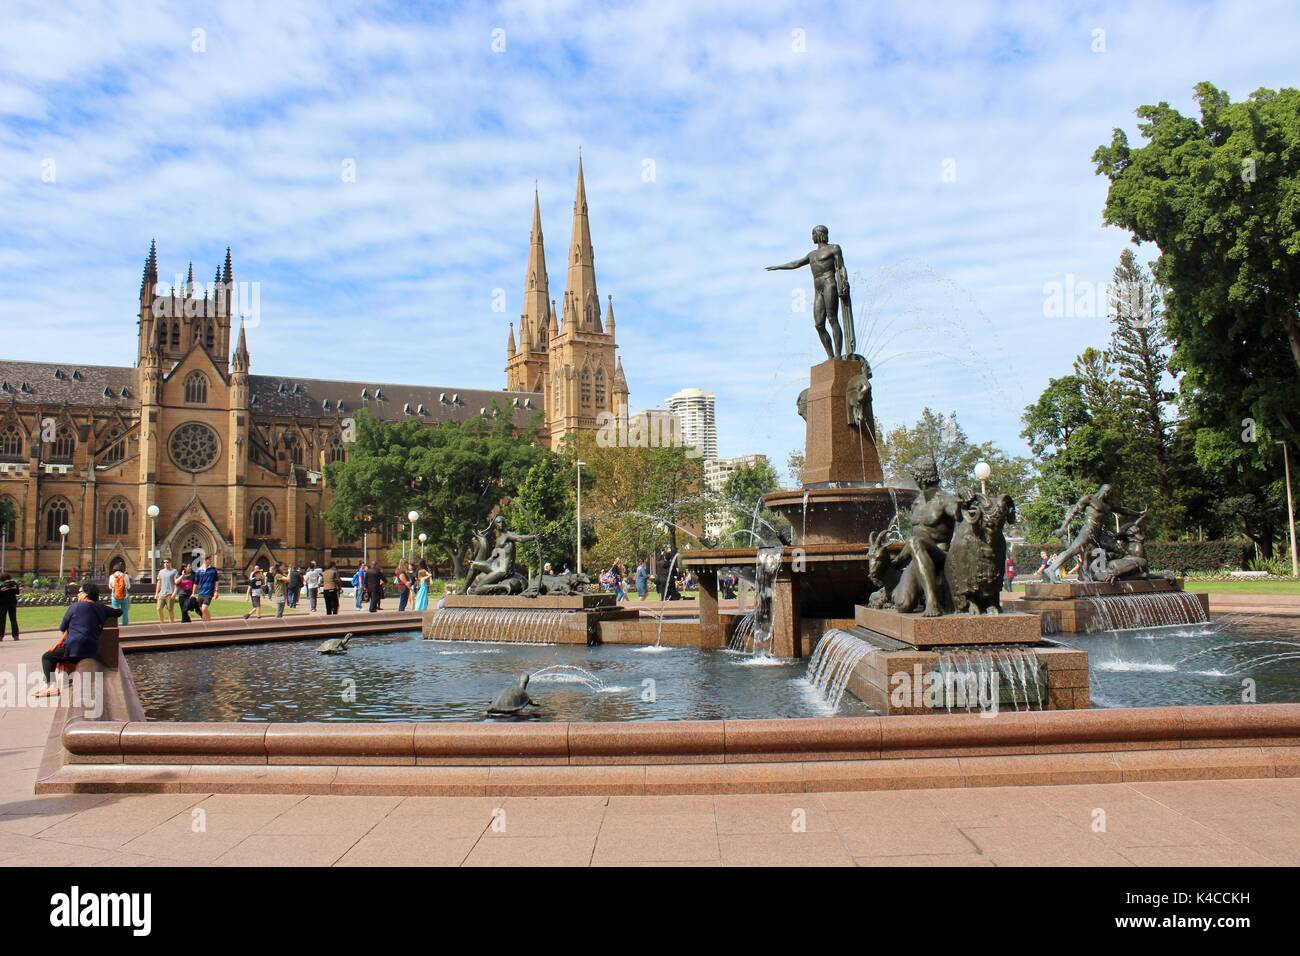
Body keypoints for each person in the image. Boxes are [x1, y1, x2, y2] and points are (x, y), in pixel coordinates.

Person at [32, 582, 121, 698]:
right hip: (92, 650)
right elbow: (118, 612)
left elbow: (62, 627)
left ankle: (50, 685)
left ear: (85, 594)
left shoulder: (75, 606)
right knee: (58, 655)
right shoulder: (102, 608)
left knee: (47, 657)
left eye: (79, 592)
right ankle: (48, 685)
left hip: (74, 650)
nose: (78, 594)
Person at [155, 558, 178, 623]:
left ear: (170, 563)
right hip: (161, 594)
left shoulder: (174, 571)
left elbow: (176, 583)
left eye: (167, 562)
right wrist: (156, 593)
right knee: (159, 608)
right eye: (164, 562)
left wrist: (174, 593)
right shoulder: (161, 572)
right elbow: (159, 582)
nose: (165, 564)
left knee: (170, 609)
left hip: (170, 594)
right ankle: (162, 623)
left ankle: (171, 623)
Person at [0, 572, 20, 641]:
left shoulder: (2, 586)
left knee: (2, 620)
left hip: (3, 604)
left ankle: (1, 636)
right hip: (12, 603)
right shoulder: (14, 584)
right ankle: (16, 636)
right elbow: (17, 592)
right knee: (13, 619)